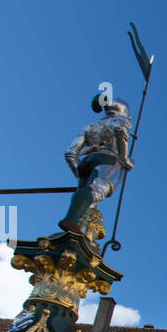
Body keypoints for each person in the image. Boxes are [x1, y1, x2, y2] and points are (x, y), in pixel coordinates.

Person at [59, 94, 134, 240]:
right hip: (107, 160)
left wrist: (79, 175)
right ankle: (71, 220)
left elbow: (70, 154)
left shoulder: (91, 126)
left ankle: (78, 221)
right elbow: (120, 132)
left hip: (85, 162)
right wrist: (124, 159)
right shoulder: (120, 122)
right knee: (96, 190)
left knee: (88, 197)